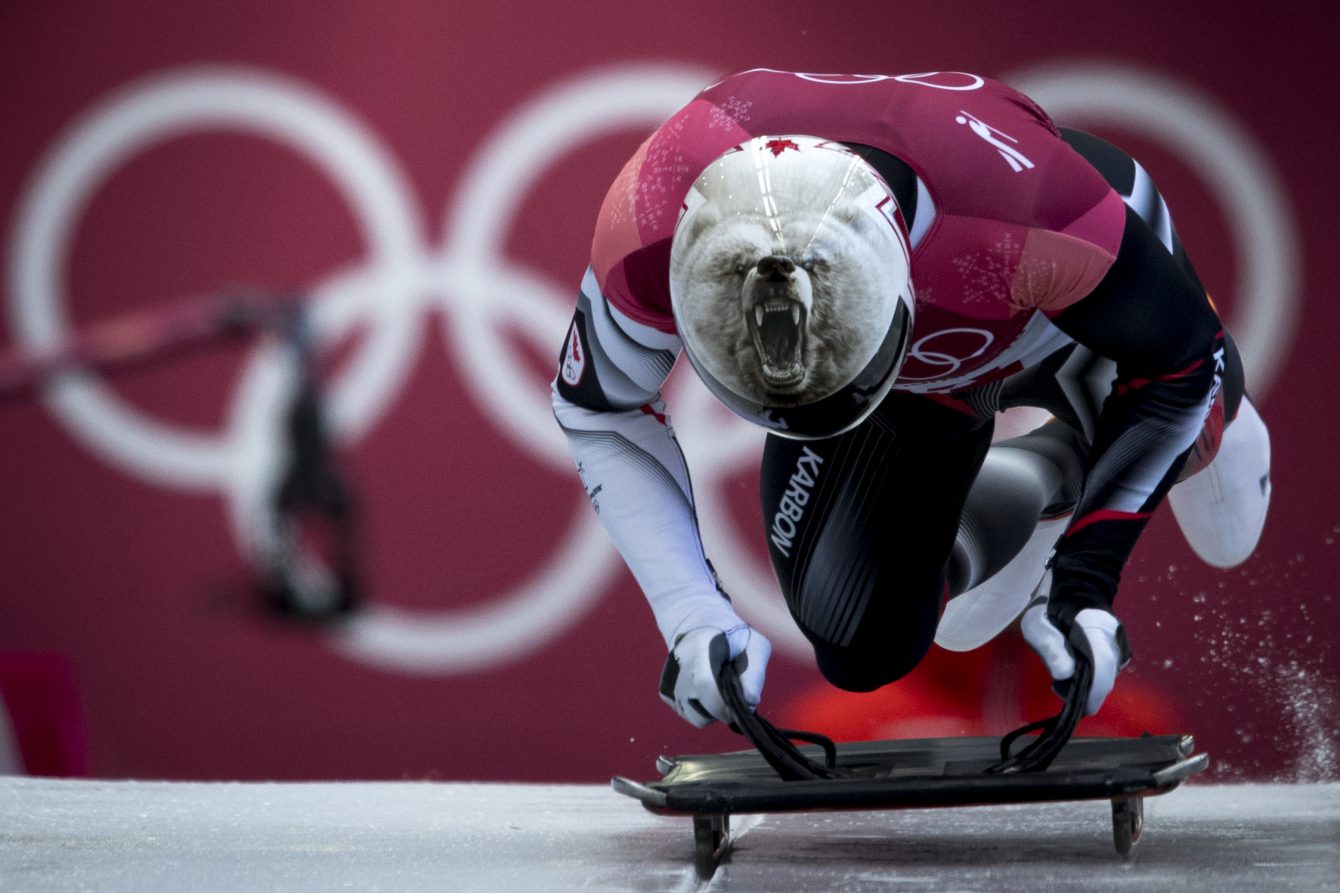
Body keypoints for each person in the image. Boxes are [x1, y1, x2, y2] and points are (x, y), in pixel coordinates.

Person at [551, 69, 1271, 733]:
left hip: (1074, 324)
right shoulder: (648, 218)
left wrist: (1084, 582)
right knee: (862, 642)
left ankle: (1102, 439)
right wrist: (691, 612)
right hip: (919, 378)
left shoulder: (1026, 215)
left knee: (1227, 522)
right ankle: (1054, 473)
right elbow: (598, 407)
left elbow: (1183, 359)